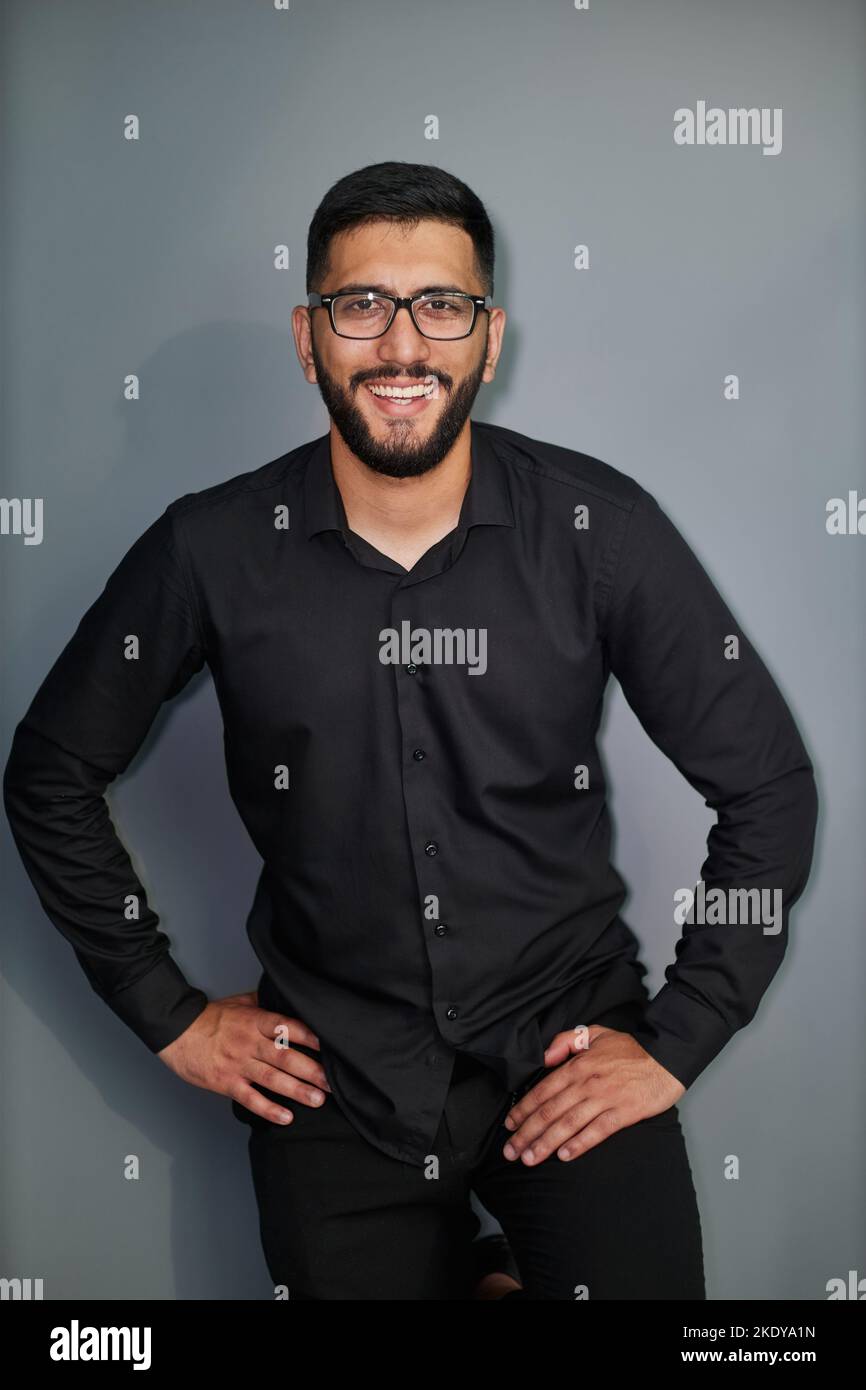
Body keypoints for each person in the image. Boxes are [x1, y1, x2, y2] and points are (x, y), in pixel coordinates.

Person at [3, 161, 818, 1301]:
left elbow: (768, 786)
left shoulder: (601, 530)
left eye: (440, 306)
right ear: (307, 336)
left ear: (488, 339)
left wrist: (680, 1036)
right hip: (330, 1082)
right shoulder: (211, 548)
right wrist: (166, 1012)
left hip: (564, 1051)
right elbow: (48, 772)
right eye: (359, 306)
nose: (400, 346)